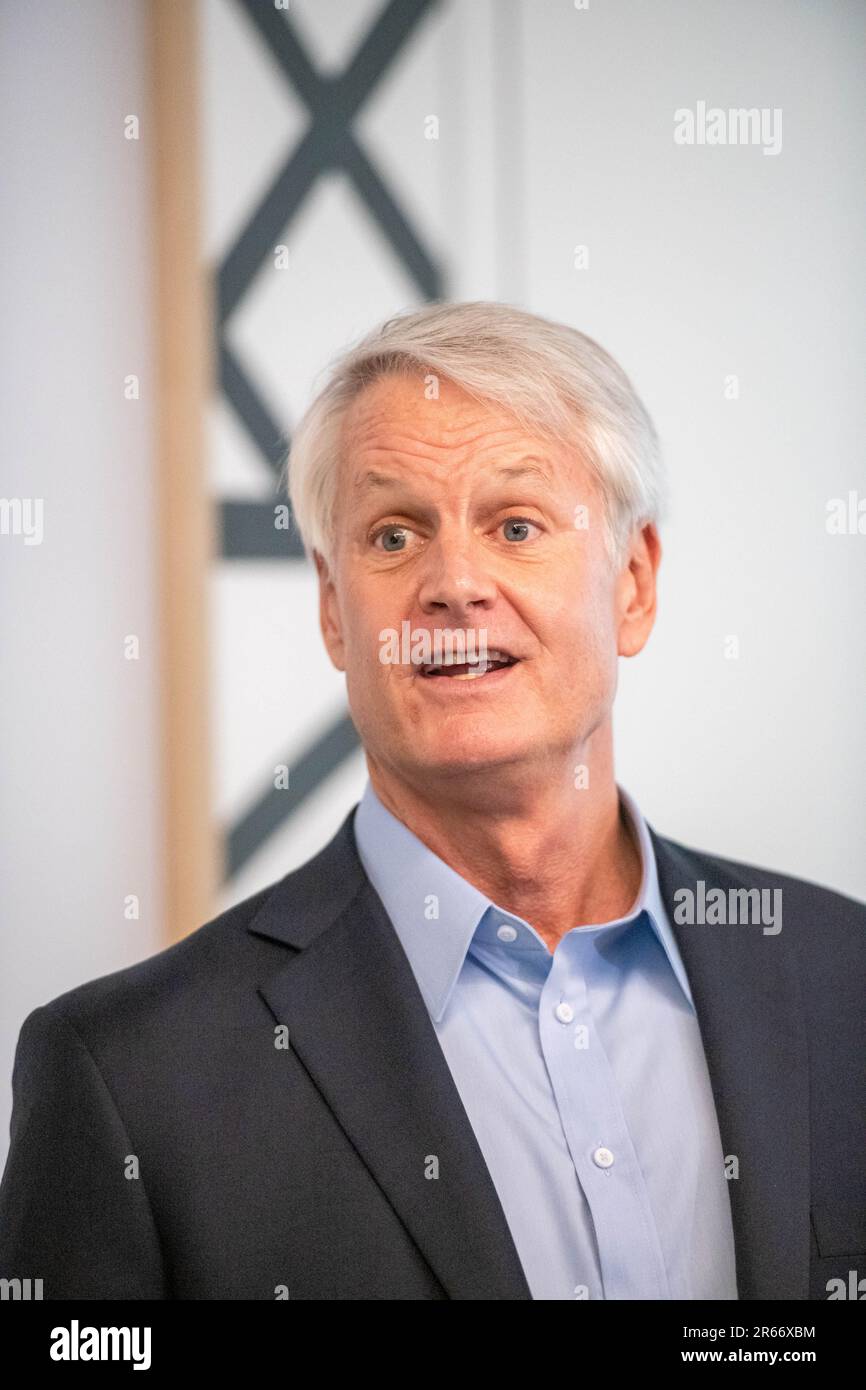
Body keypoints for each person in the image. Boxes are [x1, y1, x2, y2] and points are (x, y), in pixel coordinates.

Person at [1, 302, 863, 1300]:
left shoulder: (843, 980)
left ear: (631, 584)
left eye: (515, 524)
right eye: (395, 533)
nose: (454, 583)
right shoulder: (126, 1078)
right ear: (333, 608)